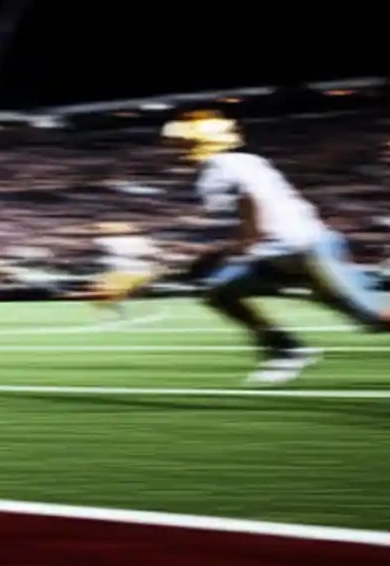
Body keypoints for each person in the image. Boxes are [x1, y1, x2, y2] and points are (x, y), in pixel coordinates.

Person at [162, 109, 390, 385]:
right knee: (219, 292)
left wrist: (247, 237)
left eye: (180, 143)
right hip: (274, 258)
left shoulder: (226, 165)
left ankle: (373, 282)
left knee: (374, 318)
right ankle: (286, 350)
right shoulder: (225, 167)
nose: (176, 150)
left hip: (306, 250)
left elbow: (252, 197)